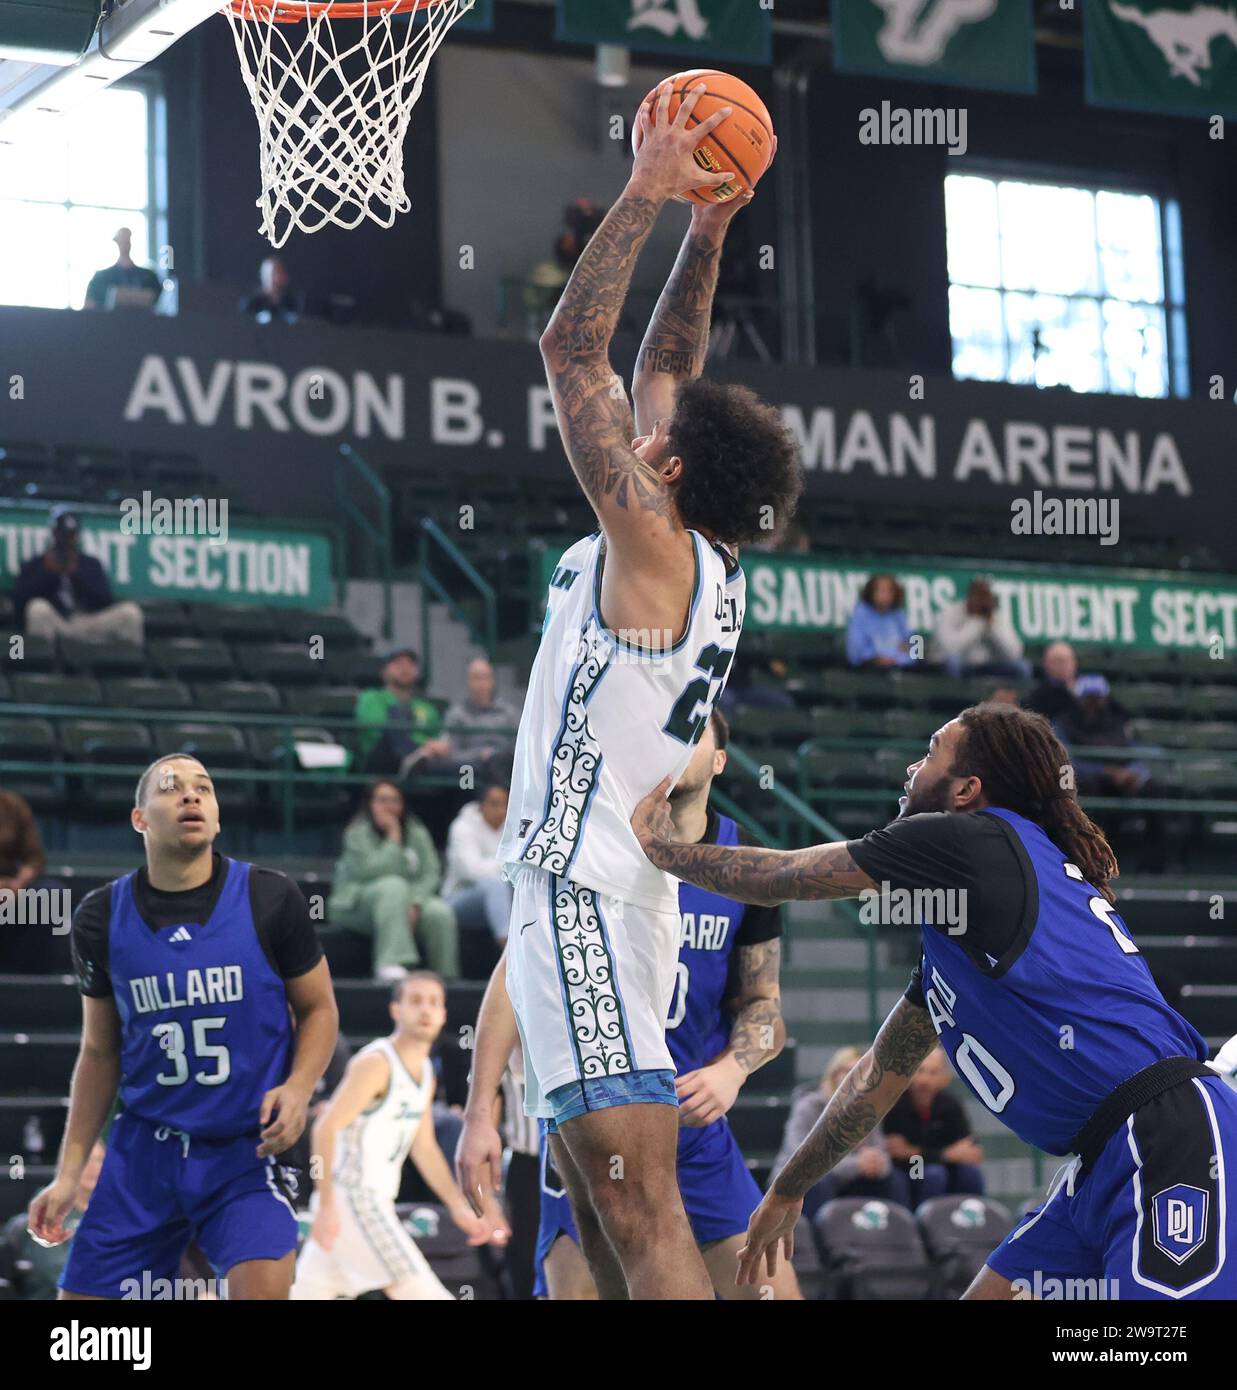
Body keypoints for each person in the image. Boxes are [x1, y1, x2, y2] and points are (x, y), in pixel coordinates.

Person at [470, 81, 800, 1301]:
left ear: (665, 472)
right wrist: (711, 228)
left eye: (659, 435)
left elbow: (573, 351)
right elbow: (664, 363)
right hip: (615, 898)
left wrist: (651, 186)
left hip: (591, 891)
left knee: (638, 1208)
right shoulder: (703, 557)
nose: (650, 423)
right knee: (602, 1212)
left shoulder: (653, 549)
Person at [631, 702, 1237, 1300]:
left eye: (930, 753)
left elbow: (780, 876)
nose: (911, 769)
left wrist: (658, 849)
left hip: (1163, 1131)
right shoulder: (965, 926)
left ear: (967, 789)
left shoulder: (972, 840)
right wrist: (789, 1188)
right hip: (1097, 1157)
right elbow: (877, 1076)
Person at [459, 710, 801, 1301]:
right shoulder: (596, 843)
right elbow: (515, 973)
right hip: (596, 1116)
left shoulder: (746, 861)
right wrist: (478, 1113)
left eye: (694, 736)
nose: (675, 746)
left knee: (770, 1292)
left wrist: (733, 1069)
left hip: (694, 1128)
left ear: (720, 760)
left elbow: (766, 1008)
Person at [28, 754, 339, 1300]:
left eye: (204, 788)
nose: (191, 796)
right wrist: (69, 1171)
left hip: (246, 1149)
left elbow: (320, 1009)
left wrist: (298, 1087)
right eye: (172, 788)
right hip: (146, 1150)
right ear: (140, 818)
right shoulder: (99, 918)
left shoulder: (271, 897)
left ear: (217, 817)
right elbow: (100, 1053)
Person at [291, 972, 501, 1300]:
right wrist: (328, 1204)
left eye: (434, 1002)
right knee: (423, 1291)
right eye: (415, 1001)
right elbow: (324, 1128)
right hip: (353, 1197)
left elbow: (425, 1147)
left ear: (445, 1013)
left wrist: (458, 1207)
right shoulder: (376, 1063)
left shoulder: (426, 1072)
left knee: (306, 1293)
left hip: (374, 1201)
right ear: (395, 1010)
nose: (425, 1010)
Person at [326, 780, 459, 983]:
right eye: (383, 800)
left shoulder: (417, 832)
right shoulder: (356, 833)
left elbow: (430, 873)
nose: (389, 806)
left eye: (395, 800)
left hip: (407, 904)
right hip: (356, 904)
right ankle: (392, 963)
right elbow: (370, 871)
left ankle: (445, 977)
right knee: (392, 887)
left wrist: (415, 901)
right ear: (370, 803)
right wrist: (393, 836)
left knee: (438, 912)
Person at [774, 1046, 901, 1219]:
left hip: (849, 1179)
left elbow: (883, 1155)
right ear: (834, 1074)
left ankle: (895, 1239)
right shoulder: (809, 1106)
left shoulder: (870, 1108)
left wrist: (878, 1164)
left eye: (864, 1073)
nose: (857, 1078)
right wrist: (857, 1165)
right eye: (849, 1071)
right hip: (802, 1180)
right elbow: (802, 1161)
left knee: (894, 1179)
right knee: (820, 1183)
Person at [13, 507, 144, 646]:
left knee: (130, 613)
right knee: (37, 609)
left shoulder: (90, 564)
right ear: (54, 533)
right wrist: (49, 573)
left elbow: (105, 599)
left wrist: (76, 574)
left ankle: (130, 666)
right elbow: (20, 601)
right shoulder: (37, 564)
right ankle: (44, 664)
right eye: (63, 534)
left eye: (71, 534)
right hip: (58, 622)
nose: (67, 540)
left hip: (89, 622)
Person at [881, 1047, 985, 1209]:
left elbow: (972, 1153)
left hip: (941, 1167)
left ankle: (974, 1222)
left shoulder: (950, 1104)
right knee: (934, 1174)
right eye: (920, 1071)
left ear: (945, 1078)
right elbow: (896, 1152)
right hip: (909, 1170)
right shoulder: (896, 1105)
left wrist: (919, 1151)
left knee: (970, 1173)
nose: (925, 1080)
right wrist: (947, 1154)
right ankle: (922, 1227)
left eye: (933, 1072)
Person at [5, 1142, 104, 1299]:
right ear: (64, 1166)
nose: (94, 1167)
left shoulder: (111, 1213)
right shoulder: (47, 1212)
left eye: (100, 1160)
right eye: (87, 1160)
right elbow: (59, 1272)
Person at [442, 783, 513, 967]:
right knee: (494, 884)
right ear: (481, 805)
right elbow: (471, 871)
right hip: (459, 899)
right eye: (494, 804)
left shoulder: (514, 826)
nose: (501, 810)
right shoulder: (462, 827)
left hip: (503, 898)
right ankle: (509, 952)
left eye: (505, 804)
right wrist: (508, 864)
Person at [354, 650, 444, 775]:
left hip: (423, 769)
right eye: (398, 664)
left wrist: (437, 747)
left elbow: (437, 738)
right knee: (395, 719)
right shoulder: (371, 698)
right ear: (384, 671)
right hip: (381, 767)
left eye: (410, 664)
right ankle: (411, 760)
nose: (405, 668)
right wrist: (423, 743)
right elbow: (378, 730)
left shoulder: (427, 708)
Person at [931, 577, 1030, 681]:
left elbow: (1014, 653)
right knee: (952, 662)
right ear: (970, 596)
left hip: (989, 666)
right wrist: (976, 624)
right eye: (979, 596)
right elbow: (948, 649)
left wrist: (993, 628)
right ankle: (954, 696)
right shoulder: (950, 612)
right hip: (963, 666)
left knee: (1022, 667)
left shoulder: (996, 617)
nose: (983, 601)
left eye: (986, 597)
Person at [439, 657, 519, 780]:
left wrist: (494, 755)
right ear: (468, 682)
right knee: (465, 773)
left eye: (485, 677)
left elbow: (517, 748)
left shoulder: (508, 713)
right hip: (471, 771)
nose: (481, 683)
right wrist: (479, 754)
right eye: (476, 678)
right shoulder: (457, 714)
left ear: (492, 681)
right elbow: (451, 753)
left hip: (502, 769)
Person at [846, 573, 916, 669]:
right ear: (871, 592)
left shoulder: (899, 615)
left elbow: (914, 648)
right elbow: (855, 651)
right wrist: (875, 658)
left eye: (889, 591)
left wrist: (899, 659)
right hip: (869, 671)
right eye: (880, 591)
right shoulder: (861, 614)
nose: (884, 596)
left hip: (900, 670)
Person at [82, 227, 160, 311]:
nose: (125, 243)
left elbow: (162, 305)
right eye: (122, 239)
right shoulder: (100, 278)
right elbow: (88, 309)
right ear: (117, 242)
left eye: (127, 239)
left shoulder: (149, 276)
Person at [1022, 640, 1079, 722]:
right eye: (1058, 661)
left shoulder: (1084, 692)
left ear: (1074, 663)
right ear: (1046, 664)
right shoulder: (1037, 696)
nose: (1063, 666)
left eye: (1066, 661)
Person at [240, 255, 301, 323]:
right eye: (268, 274)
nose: (272, 278)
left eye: (277, 273)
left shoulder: (292, 301)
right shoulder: (251, 302)